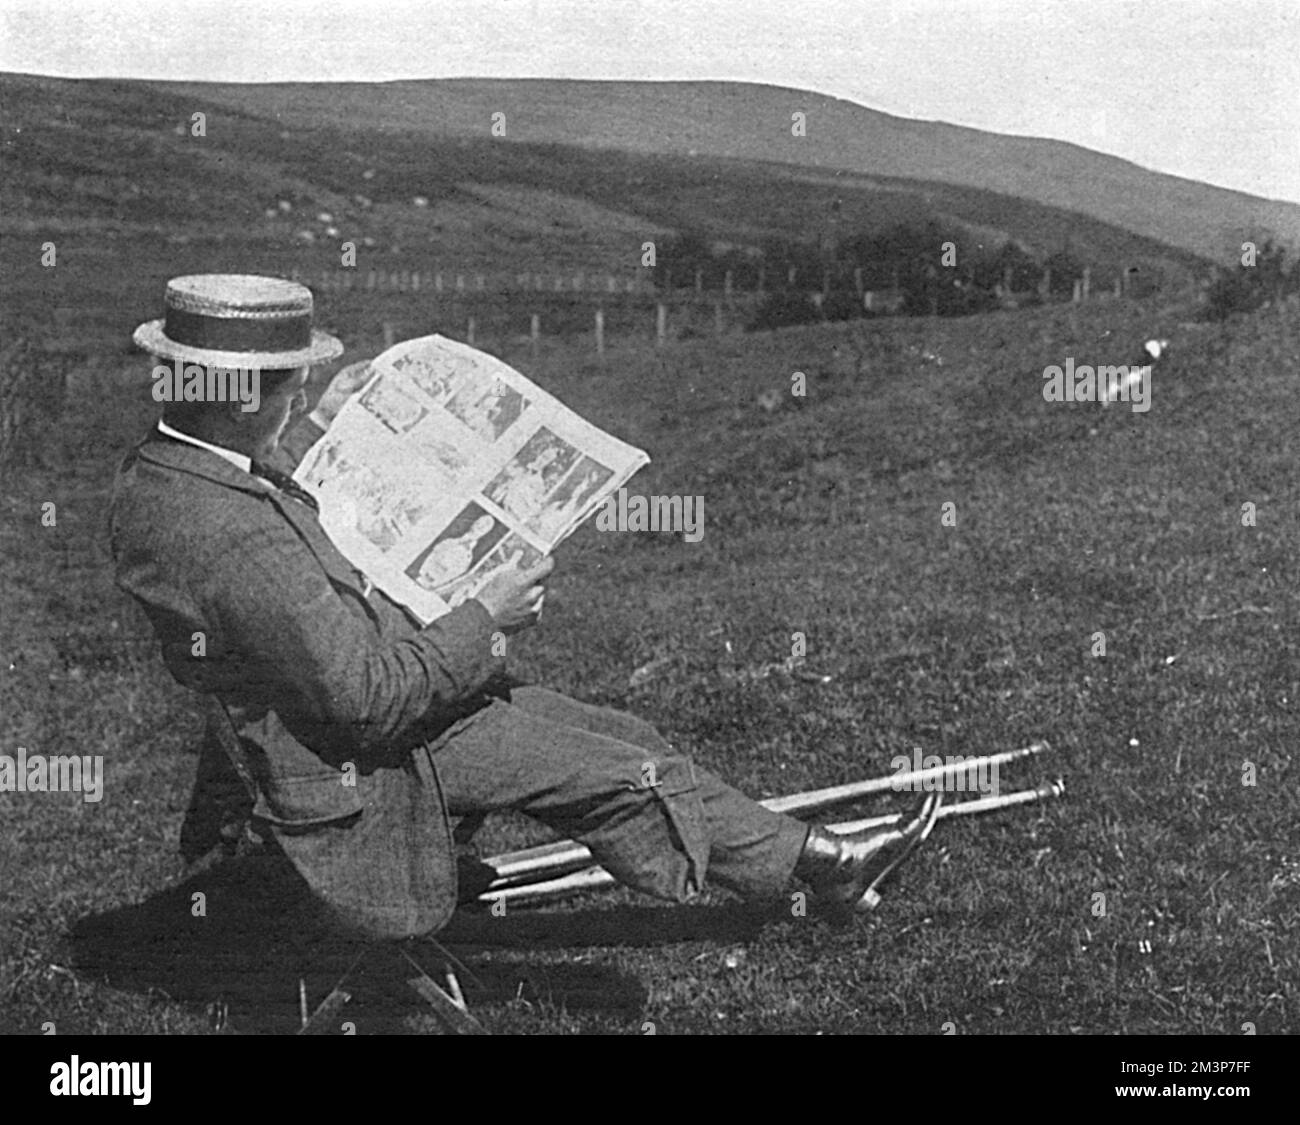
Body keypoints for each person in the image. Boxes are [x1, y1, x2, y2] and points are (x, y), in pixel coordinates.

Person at [111, 273, 942, 945]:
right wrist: (485, 616)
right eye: (297, 387)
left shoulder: (169, 474)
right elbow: (362, 701)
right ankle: (826, 862)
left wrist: (326, 426)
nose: (303, 397)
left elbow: (265, 526)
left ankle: (812, 863)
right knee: (621, 772)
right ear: (245, 397)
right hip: (351, 768)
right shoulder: (234, 538)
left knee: (623, 735)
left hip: (325, 728)